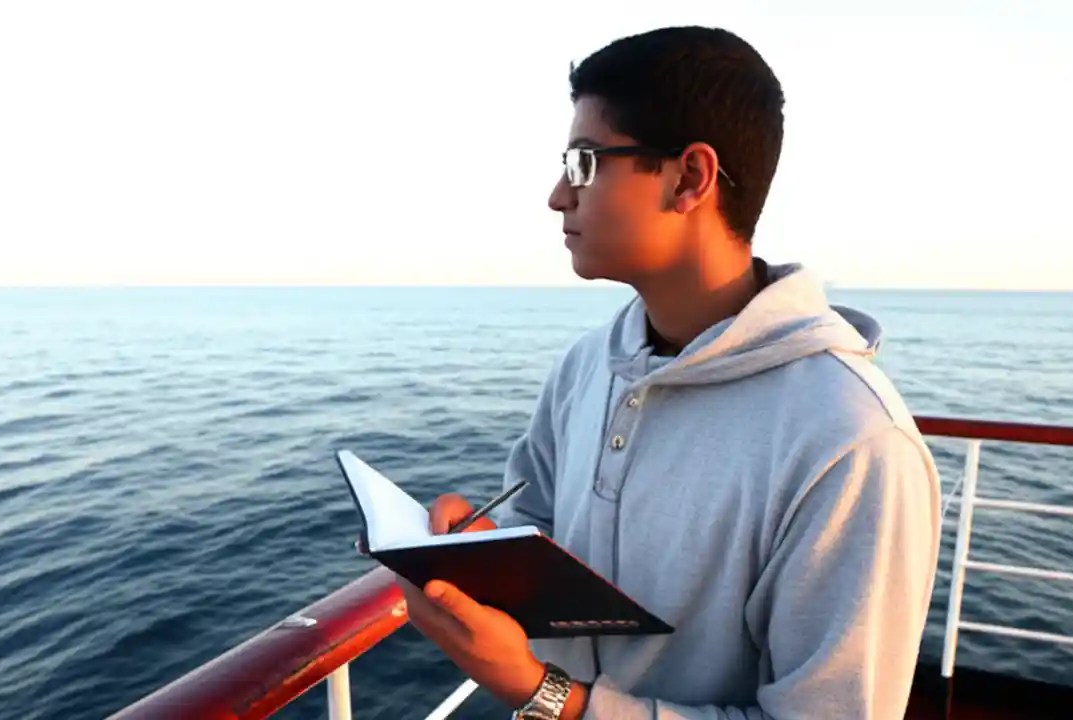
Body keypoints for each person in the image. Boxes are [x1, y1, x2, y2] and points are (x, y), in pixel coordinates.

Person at [394, 25, 942, 720]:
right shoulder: (585, 367)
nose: (558, 195)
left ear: (689, 178)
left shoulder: (853, 442)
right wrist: (485, 548)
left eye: (584, 162)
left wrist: (544, 695)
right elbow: (535, 519)